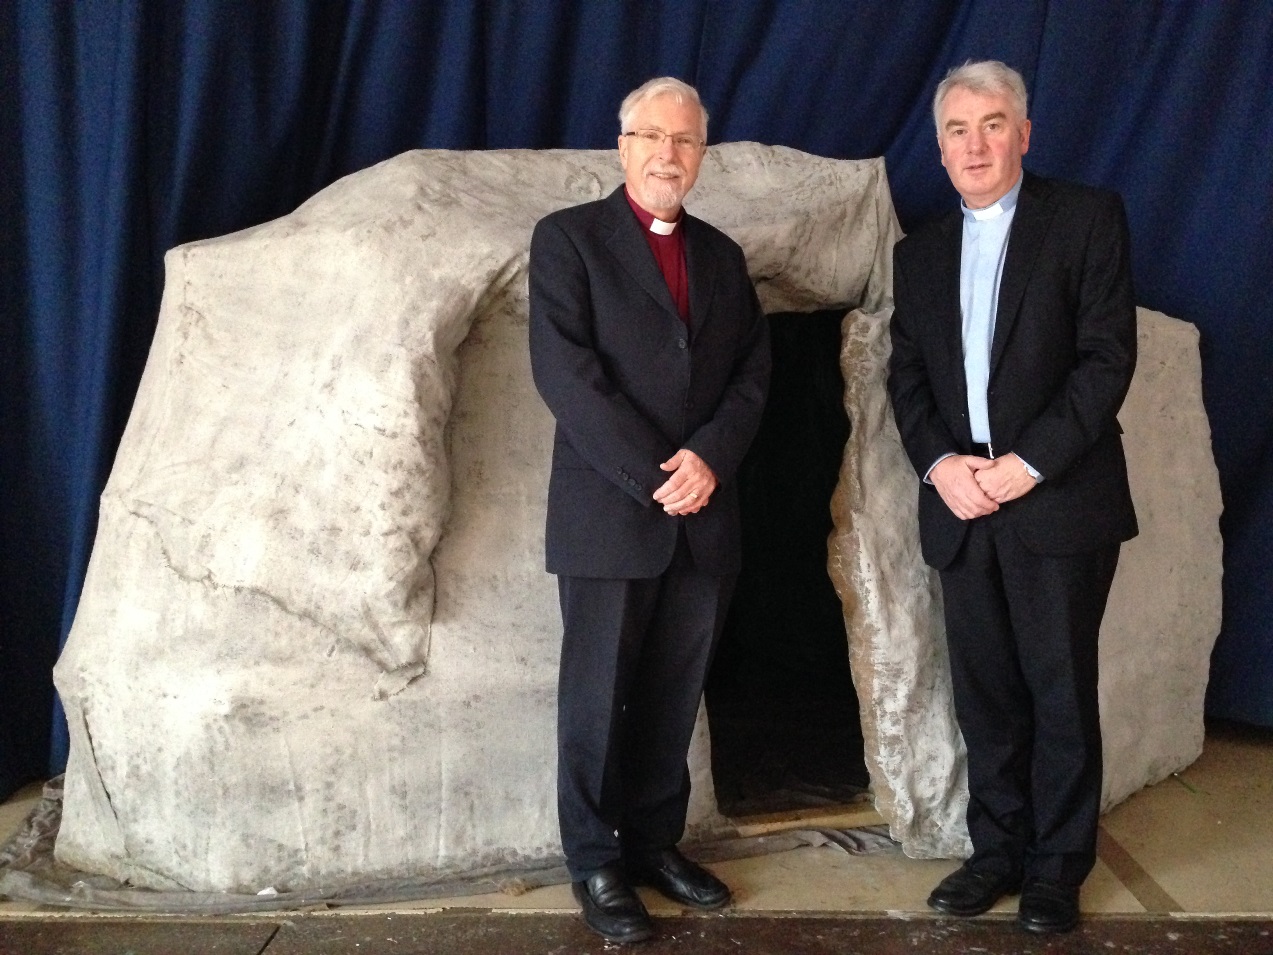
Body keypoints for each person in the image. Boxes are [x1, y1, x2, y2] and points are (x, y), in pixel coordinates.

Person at [887, 60, 1138, 935]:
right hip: (961, 502)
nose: (975, 144)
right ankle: (995, 849)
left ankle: (1056, 866)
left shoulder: (1085, 219)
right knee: (985, 694)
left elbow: (1106, 359)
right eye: (957, 129)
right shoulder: (916, 251)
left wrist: (1024, 465)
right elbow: (906, 378)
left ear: (1023, 134)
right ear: (941, 146)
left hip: (1053, 497)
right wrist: (941, 467)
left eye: (992, 124)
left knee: (1058, 689)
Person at [528, 77, 770, 944]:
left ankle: (654, 843)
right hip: (609, 516)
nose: (667, 154)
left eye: (685, 141)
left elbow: (751, 374)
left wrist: (708, 458)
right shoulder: (567, 242)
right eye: (651, 137)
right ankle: (595, 860)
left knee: (673, 694)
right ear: (622, 144)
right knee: (595, 700)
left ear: (700, 155)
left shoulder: (723, 255)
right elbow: (567, 377)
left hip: (704, 516)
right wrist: (654, 473)